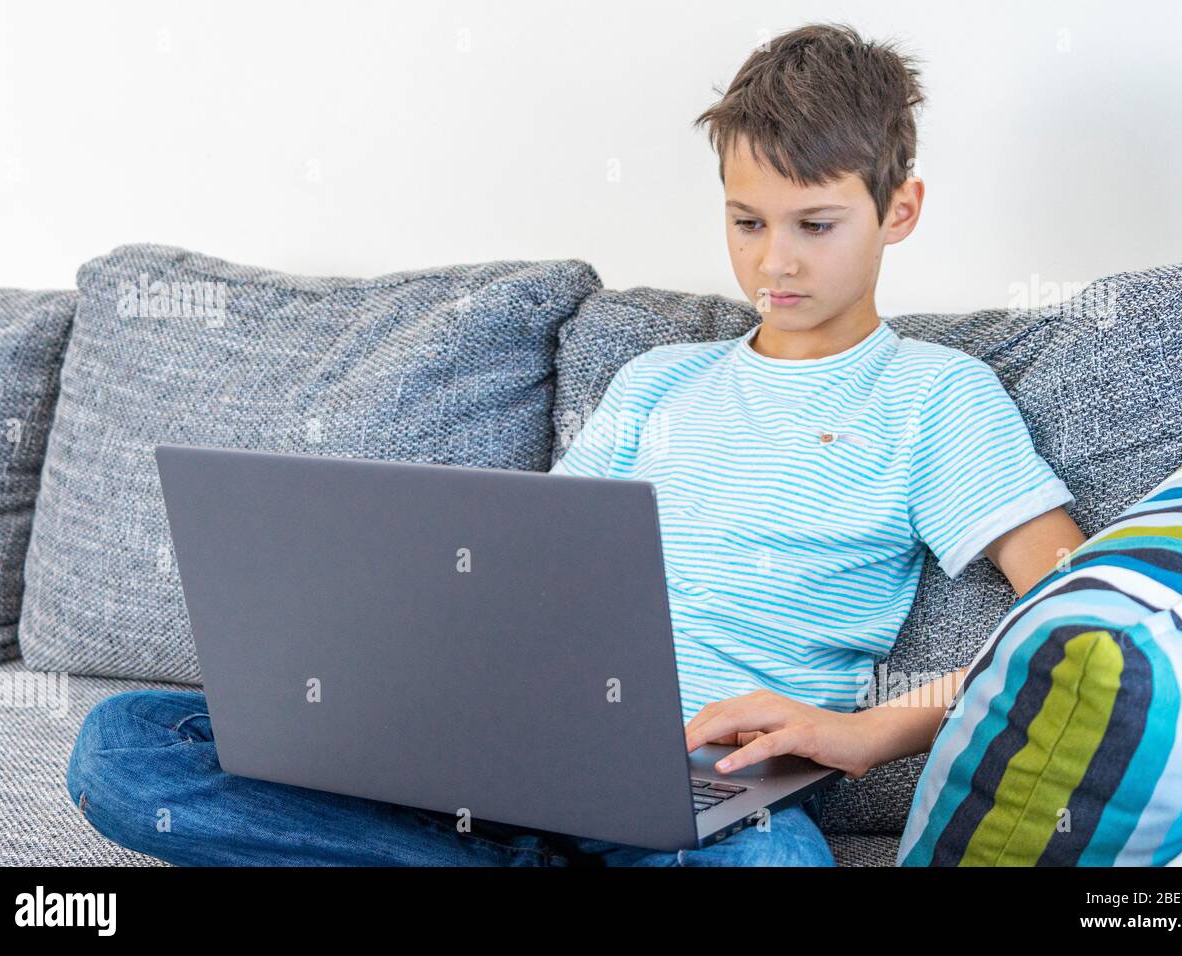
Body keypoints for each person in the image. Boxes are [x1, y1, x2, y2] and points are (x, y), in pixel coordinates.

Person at [67, 20, 1086, 867]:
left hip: (709, 787)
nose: (774, 261)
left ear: (896, 210)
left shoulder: (934, 396)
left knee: (770, 863)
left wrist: (863, 733)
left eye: (814, 224)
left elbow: (1076, 603)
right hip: (513, 743)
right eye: (745, 221)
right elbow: (521, 573)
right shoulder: (657, 382)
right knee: (123, 744)